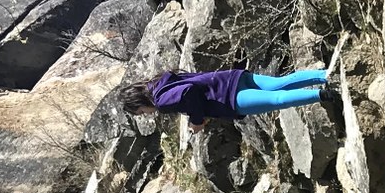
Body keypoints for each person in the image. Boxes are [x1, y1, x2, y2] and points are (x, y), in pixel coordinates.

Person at [116, 65, 332, 123]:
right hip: (232, 77)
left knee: (277, 100)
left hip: (228, 97)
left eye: (141, 112)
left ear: (139, 103)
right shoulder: (158, 83)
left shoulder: (161, 101)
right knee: (281, 83)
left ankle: (323, 95)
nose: (145, 114)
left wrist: (197, 120)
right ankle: (326, 74)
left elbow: (189, 93)